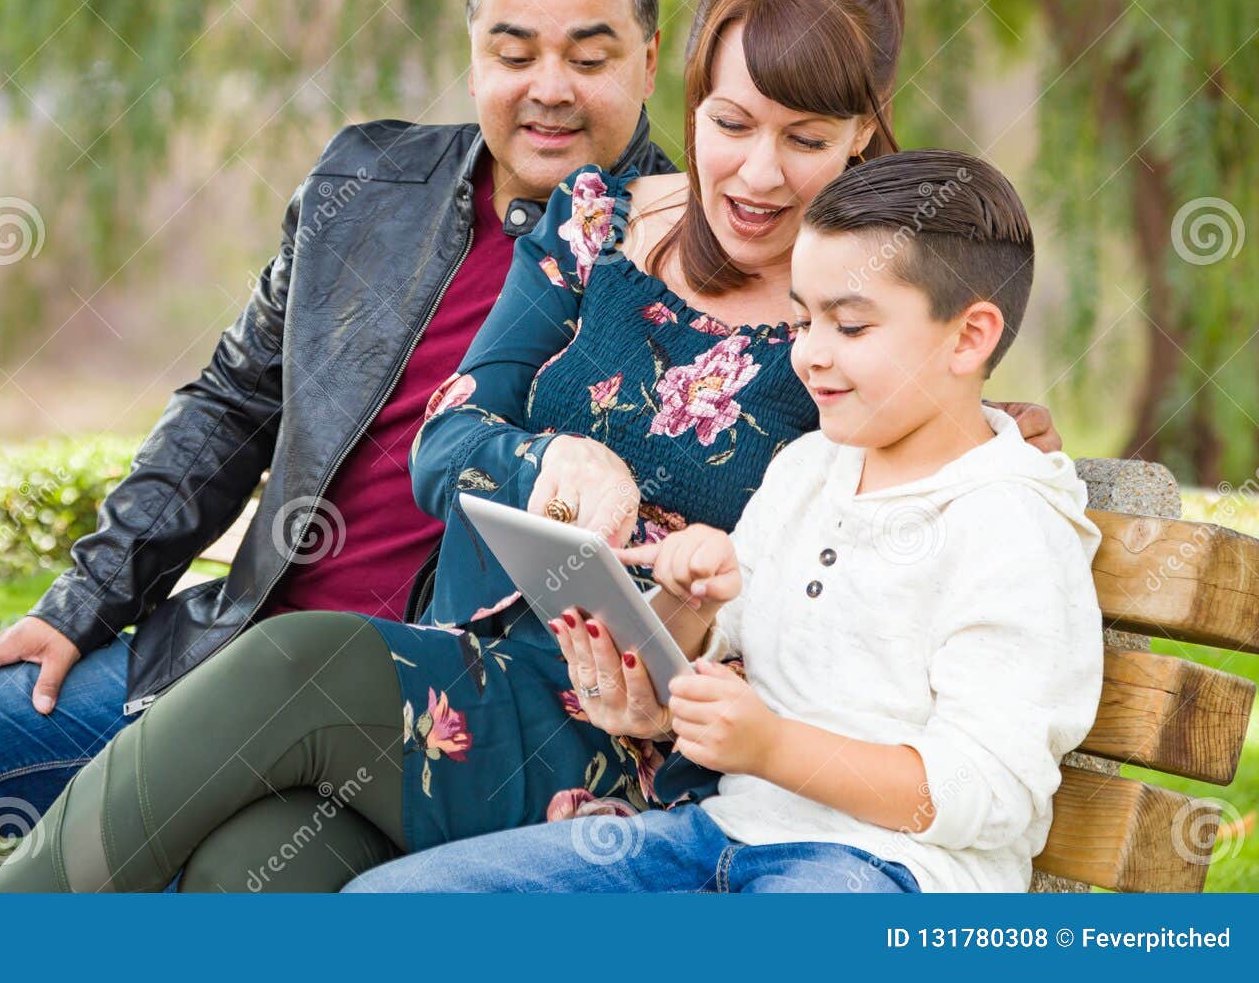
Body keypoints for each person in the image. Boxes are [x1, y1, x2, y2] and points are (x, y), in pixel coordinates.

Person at [0, 0, 1064, 894]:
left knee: (291, 666)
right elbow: (443, 441)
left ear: (863, 139)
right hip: (458, 675)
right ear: (688, 98)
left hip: (646, 753)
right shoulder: (596, 224)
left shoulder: (848, 331)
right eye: (731, 122)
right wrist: (551, 460)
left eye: (806, 138)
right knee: (249, 868)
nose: (757, 174)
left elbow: (937, 440)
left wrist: (987, 414)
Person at [0, 0, 682, 892]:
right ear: (471, 57)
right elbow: (234, 402)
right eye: (513, 52)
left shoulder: (681, 263)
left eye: (589, 56)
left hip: (414, 717)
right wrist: (84, 601)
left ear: (649, 60)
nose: (549, 89)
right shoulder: (369, 183)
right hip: (240, 645)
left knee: (238, 876)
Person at [342, 148, 1104, 893]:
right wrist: (691, 604)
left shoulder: (1013, 526)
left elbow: (989, 792)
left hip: (884, 872)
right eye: (803, 321)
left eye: (851, 327)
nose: (810, 356)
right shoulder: (809, 470)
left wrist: (772, 747)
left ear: (968, 337)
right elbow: (713, 649)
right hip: (719, 839)